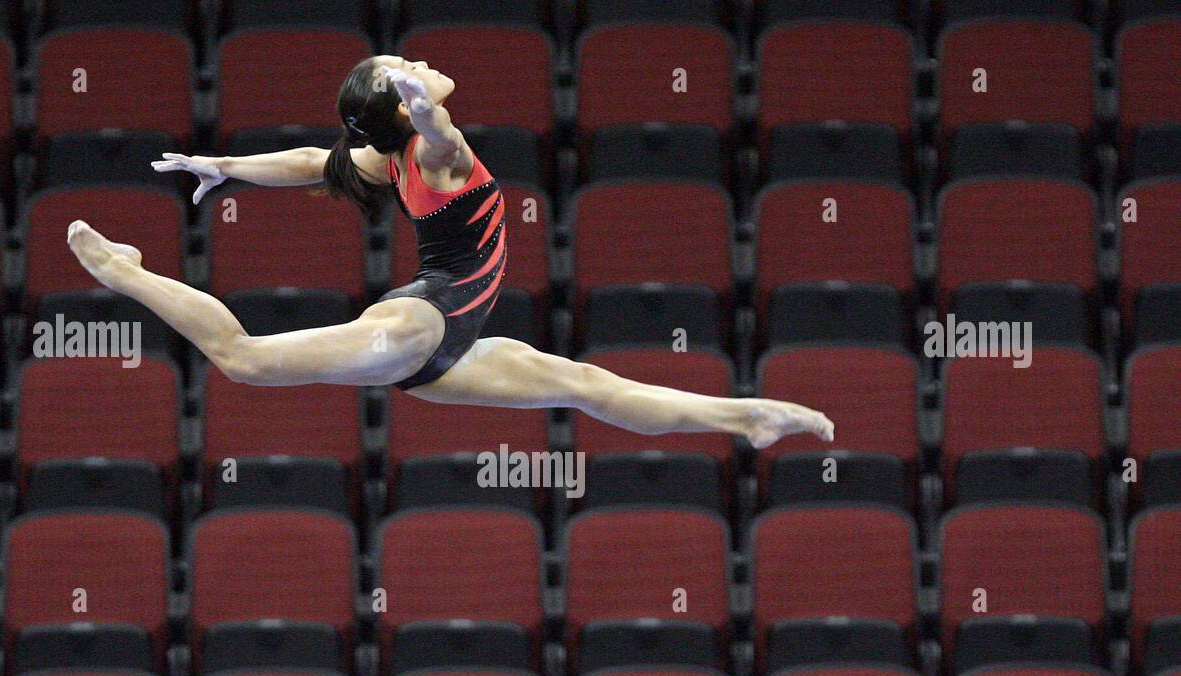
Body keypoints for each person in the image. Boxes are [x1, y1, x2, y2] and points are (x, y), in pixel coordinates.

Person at [67, 55, 833, 448]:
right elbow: (423, 136)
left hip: (449, 345)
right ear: (400, 110)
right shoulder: (434, 155)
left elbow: (315, 163)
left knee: (590, 386)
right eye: (397, 73)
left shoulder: (395, 154)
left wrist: (230, 168)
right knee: (243, 359)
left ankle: (748, 417)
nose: (414, 64)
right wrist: (431, 117)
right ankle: (125, 271)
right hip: (421, 325)